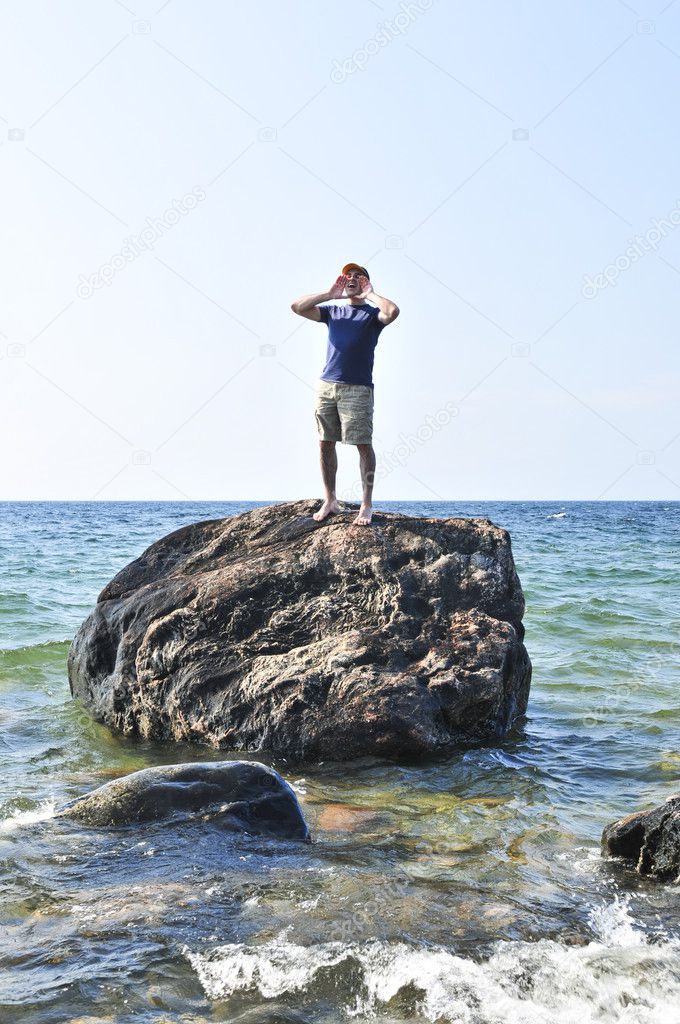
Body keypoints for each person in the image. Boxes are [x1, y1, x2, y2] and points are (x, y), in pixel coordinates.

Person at [291, 263, 399, 525]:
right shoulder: (333, 310)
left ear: (366, 282)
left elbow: (392, 311)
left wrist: (370, 294)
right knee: (325, 442)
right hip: (327, 386)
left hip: (358, 388)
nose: (351, 278)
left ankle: (366, 504)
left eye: (358, 276)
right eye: (348, 275)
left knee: (363, 445)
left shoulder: (373, 315)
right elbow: (297, 307)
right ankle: (330, 500)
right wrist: (330, 294)